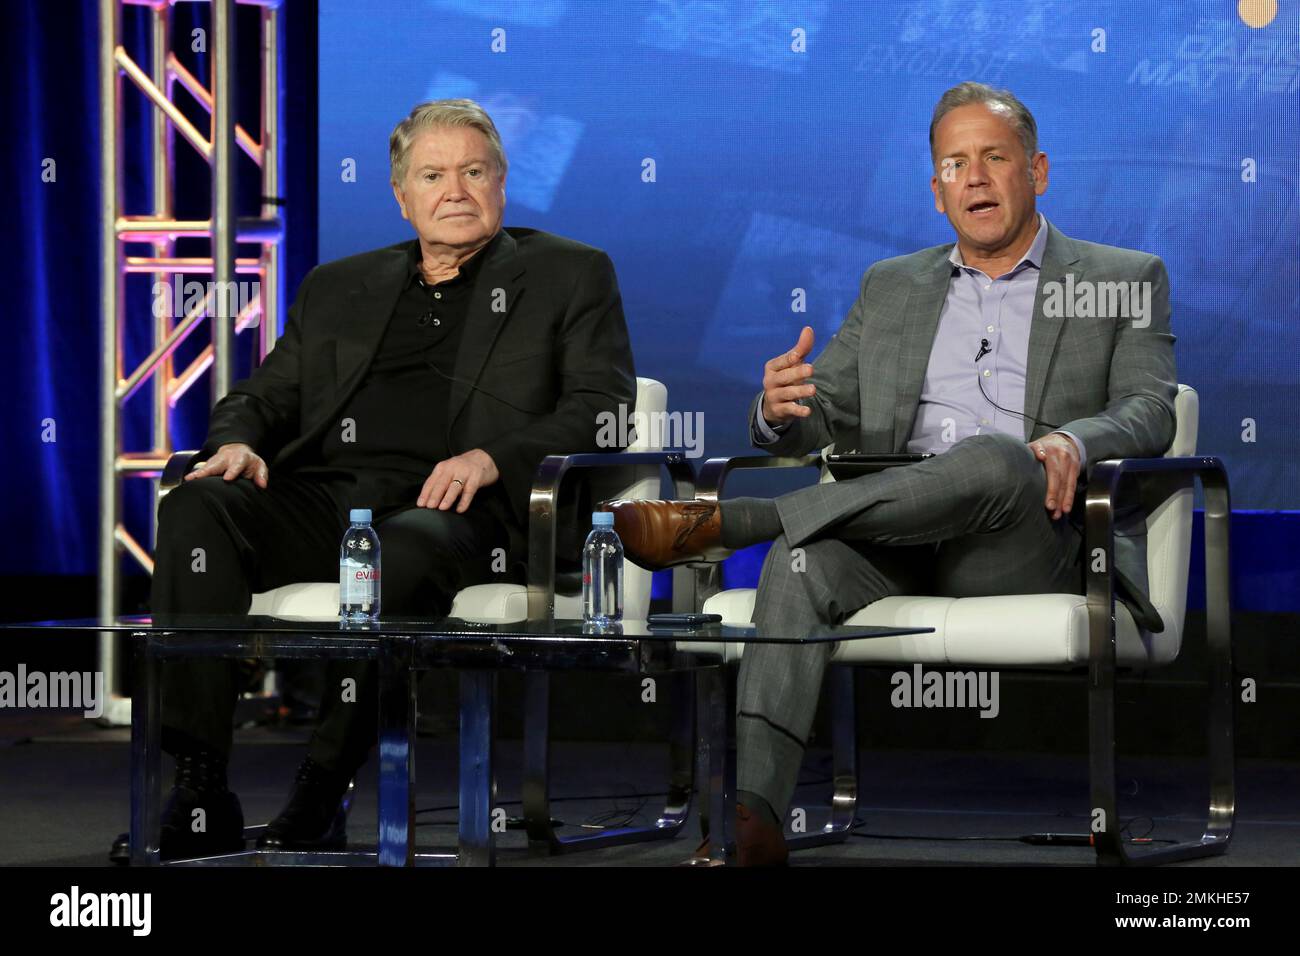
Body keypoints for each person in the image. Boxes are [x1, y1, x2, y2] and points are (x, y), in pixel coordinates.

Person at [606, 82, 1177, 866]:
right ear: (936, 190)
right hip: (893, 536)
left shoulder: (1125, 276)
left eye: (994, 158)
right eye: (954, 164)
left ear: (1037, 171)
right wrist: (780, 410)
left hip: (1025, 541)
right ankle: (753, 818)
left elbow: (1152, 408)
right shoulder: (891, 285)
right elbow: (827, 414)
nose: (974, 178)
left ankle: (741, 521)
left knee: (996, 453)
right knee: (802, 561)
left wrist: (1076, 441)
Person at [137, 99, 636, 860]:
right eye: (433, 175)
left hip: (467, 513)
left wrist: (492, 458)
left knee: (395, 551)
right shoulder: (341, 285)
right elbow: (263, 397)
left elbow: (603, 408)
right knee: (199, 506)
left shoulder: (569, 273)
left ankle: (322, 786)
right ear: (402, 197)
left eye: (475, 171)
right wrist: (236, 442)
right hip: (331, 499)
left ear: (502, 183)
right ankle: (202, 782)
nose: (456, 191)